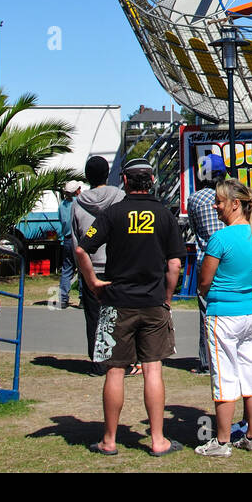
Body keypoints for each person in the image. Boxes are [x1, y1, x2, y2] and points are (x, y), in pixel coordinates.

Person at [76, 159, 185, 457]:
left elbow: (81, 249)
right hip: (152, 301)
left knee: (114, 370)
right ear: (151, 180)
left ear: (124, 180)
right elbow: (175, 263)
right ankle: (158, 439)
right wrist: (168, 295)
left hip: (118, 301)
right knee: (153, 369)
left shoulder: (113, 213)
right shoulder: (164, 214)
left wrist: (94, 283)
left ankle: (109, 440)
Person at [194, 178, 252, 457]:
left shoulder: (220, 238)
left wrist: (210, 291)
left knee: (224, 378)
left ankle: (222, 442)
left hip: (223, 314)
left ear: (235, 204)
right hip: (250, 311)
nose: (215, 206)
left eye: (219, 201)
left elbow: (204, 280)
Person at [71, 156, 126, 374]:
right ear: (107, 173)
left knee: (94, 316)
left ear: (87, 176)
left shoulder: (78, 204)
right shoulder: (120, 196)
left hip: (90, 266)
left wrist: (81, 269)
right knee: (119, 314)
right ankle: (119, 359)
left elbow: (76, 240)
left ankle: (97, 362)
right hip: (116, 265)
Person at [187, 152, 227, 374]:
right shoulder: (230, 195)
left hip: (205, 259)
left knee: (206, 312)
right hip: (230, 259)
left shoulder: (195, 199)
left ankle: (206, 362)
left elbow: (194, 229)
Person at [57, 181, 81, 309]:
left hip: (66, 239)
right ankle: (83, 298)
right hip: (77, 238)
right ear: (77, 191)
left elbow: (61, 220)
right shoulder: (79, 203)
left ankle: (63, 298)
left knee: (67, 269)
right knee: (82, 268)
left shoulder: (62, 205)